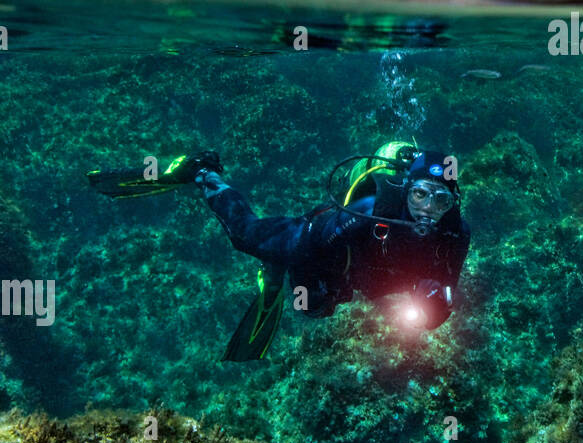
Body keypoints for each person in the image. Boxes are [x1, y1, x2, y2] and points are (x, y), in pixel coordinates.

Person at [192, 143, 471, 360]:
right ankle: (204, 172)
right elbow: (311, 245)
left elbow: (442, 305)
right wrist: (299, 272)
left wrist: (432, 303)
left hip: (375, 274)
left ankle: (280, 269)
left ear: (452, 203)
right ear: (406, 189)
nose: (427, 209)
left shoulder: (455, 234)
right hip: (324, 245)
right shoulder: (371, 211)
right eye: (420, 194)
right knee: (247, 236)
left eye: (441, 200)